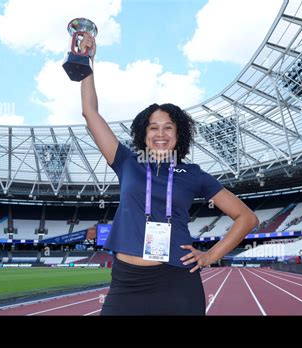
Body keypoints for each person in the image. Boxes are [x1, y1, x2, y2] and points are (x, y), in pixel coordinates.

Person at [79, 33, 259, 315]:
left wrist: (211, 255)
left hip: (177, 281)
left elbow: (247, 217)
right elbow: (90, 113)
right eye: (153, 127)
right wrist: (87, 61)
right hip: (126, 283)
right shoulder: (125, 160)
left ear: (178, 134)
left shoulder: (193, 173)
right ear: (143, 133)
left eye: (168, 127)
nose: (160, 133)